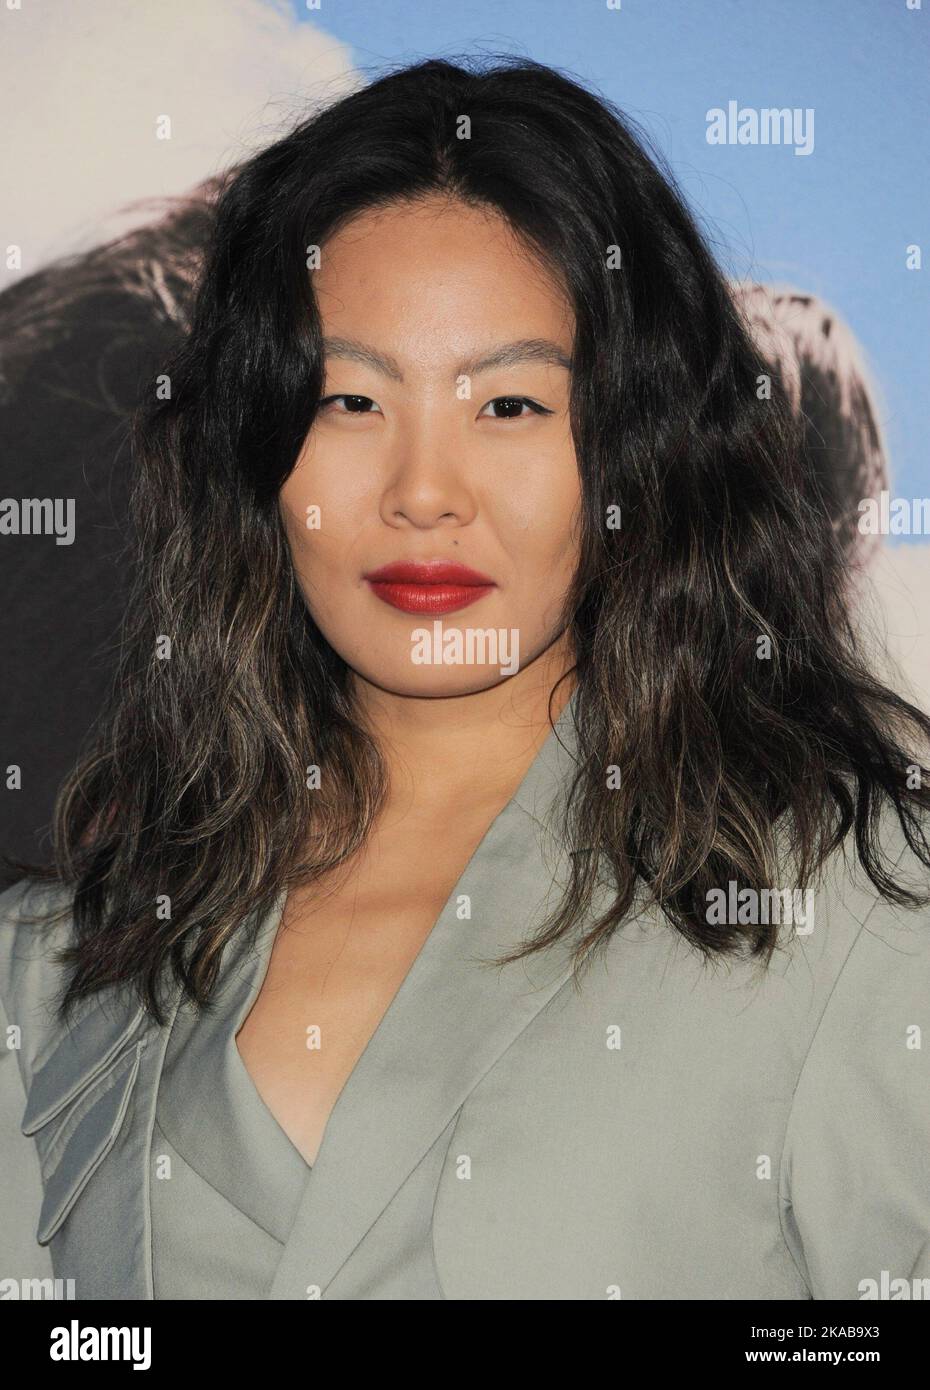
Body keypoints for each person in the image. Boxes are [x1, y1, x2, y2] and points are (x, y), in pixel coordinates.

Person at [1, 54, 929, 1302]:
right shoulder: (73, 944)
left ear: (636, 450)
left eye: (508, 405)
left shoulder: (856, 899)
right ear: (255, 449)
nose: (423, 491)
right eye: (347, 398)